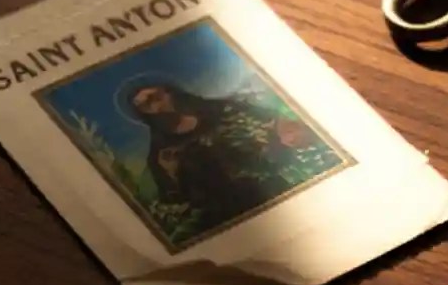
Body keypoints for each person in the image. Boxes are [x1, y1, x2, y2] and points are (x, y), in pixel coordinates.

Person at [127, 80, 325, 232]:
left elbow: (271, 118)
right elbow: (174, 201)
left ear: (168, 93)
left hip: (275, 188)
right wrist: (172, 174)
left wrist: (282, 133)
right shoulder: (161, 154)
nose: (155, 107)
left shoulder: (219, 110)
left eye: (156, 97)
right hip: (229, 216)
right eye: (145, 105)